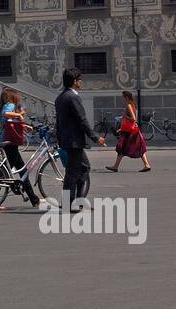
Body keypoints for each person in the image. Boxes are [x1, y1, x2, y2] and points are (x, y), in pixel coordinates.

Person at [54, 68, 105, 212]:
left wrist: (59, 139)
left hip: (67, 140)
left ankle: (77, 201)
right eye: (79, 79)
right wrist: (95, 137)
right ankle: (71, 203)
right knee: (73, 172)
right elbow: (81, 120)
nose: (81, 82)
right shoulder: (73, 97)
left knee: (82, 168)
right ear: (75, 81)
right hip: (74, 141)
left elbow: (59, 122)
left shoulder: (60, 97)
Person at [0, 87, 40, 209]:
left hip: (8, 141)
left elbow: (12, 122)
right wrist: (19, 115)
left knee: (21, 171)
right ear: (12, 96)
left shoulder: (7, 105)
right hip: (10, 142)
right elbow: (7, 114)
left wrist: (25, 126)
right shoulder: (9, 105)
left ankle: (34, 199)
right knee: (7, 173)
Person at [107, 91, 152, 172]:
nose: (122, 99)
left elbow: (133, 118)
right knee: (138, 148)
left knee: (121, 148)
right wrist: (121, 128)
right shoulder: (132, 105)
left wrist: (125, 116)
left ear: (126, 97)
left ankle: (115, 166)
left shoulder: (128, 106)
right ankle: (146, 164)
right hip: (132, 130)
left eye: (123, 97)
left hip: (129, 132)